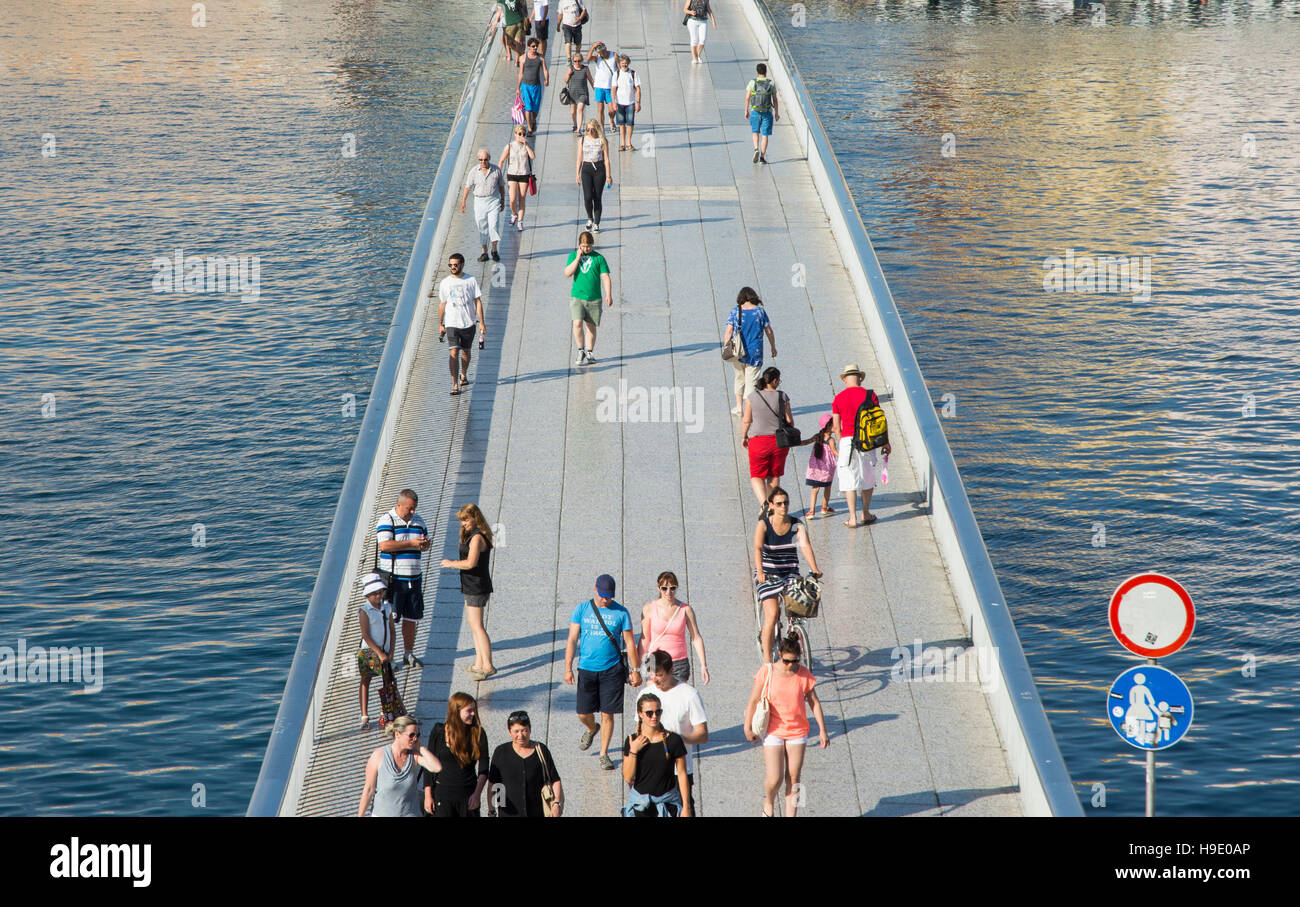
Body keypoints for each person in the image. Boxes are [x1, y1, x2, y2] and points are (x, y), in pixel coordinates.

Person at [743, 633, 829, 817]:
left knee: (794, 777)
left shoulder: (803, 673)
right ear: (780, 654)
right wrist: (747, 727)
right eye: (787, 661)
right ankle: (769, 800)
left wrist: (822, 730)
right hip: (773, 730)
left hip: (798, 731)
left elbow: (814, 702)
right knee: (775, 778)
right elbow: (753, 700)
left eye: (795, 661)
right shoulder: (767, 671)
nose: (791, 665)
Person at [564, 573, 641, 771]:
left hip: (612, 670)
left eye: (609, 596)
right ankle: (591, 728)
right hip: (587, 668)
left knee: (608, 714)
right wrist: (568, 668)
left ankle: (604, 753)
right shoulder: (582, 609)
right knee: (583, 712)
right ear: (595, 589)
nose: (605, 600)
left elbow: (630, 643)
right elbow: (572, 639)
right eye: (602, 595)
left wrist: (635, 669)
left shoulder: (621, 613)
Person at [753, 486, 822, 663]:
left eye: (786, 503)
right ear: (771, 506)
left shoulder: (796, 525)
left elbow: (805, 546)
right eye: (779, 503)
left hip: (790, 572)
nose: (783, 506)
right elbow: (758, 548)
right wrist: (760, 572)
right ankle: (767, 662)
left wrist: (815, 568)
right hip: (768, 573)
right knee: (773, 613)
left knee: (795, 609)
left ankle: (793, 641)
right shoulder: (764, 525)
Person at [645, 650, 707, 817]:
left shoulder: (689, 694)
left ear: (671, 670)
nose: (654, 679)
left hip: (679, 772)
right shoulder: (645, 695)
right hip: (651, 773)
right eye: (651, 674)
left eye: (659, 675)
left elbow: (703, 734)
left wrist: (678, 740)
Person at [831, 363, 892, 527]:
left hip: (847, 441)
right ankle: (865, 513)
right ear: (860, 378)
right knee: (868, 478)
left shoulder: (838, 398)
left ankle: (852, 518)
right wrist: (885, 442)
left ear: (845, 379)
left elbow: (836, 427)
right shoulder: (870, 395)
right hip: (868, 441)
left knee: (849, 480)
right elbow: (880, 421)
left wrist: (841, 440)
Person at [376, 489, 431, 668]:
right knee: (390, 618)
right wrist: (411, 543)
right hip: (394, 580)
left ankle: (408, 654)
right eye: (410, 508)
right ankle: (389, 657)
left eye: (414, 508)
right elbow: (384, 545)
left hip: (414, 578)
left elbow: (423, 544)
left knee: (411, 618)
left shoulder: (419, 521)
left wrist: (424, 546)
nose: (413, 512)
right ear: (399, 505)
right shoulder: (387, 520)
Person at [440, 504, 496, 680]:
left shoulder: (477, 538)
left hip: (477, 586)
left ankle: (488, 665)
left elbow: (471, 563)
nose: (463, 523)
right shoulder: (472, 535)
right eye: (461, 520)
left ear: (475, 518)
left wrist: (451, 563)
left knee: (478, 626)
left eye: (466, 519)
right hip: (471, 585)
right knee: (473, 625)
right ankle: (479, 662)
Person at [622, 692, 691, 817]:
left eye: (658, 712)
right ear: (640, 714)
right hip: (641, 805)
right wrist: (633, 751)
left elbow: (681, 773)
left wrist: (686, 807)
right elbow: (628, 777)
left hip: (667, 803)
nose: (654, 716)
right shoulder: (632, 741)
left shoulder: (674, 740)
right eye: (649, 713)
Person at [358, 716, 442, 817]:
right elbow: (369, 789)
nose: (415, 738)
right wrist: (360, 815)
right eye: (411, 735)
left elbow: (437, 767)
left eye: (417, 735)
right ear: (398, 734)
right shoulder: (379, 755)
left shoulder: (414, 756)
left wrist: (420, 747)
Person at [423, 692, 491, 817]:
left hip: (468, 795)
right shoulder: (439, 732)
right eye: (469, 710)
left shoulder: (478, 733)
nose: (473, 714)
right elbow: (428, 765)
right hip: (442, 794)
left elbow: (484, 768)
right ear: (456, 711)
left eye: (474, 710)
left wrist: (477, 794)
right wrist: (427, 795)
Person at [488, 710, 564, 817]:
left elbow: (555, 780)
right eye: (516, 731)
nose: (520, 735)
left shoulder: (541, 750)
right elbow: (493, 784)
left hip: (537, 812)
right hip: (508, 813)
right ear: (509, 732)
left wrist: (556, 803)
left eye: (524, 730)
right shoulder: (501, 752)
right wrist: (492, 810)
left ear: (530, 729)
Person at [639, 571, 710, 685]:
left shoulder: (685, 609)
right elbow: (644, 638)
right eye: (664, 588)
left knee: (677, 699)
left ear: (677, 588)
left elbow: (696, 637)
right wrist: (637, 667)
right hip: (655, 661)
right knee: (653, 697)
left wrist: (703, 666)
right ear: (658, 588)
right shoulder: (649, 608)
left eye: (672, 588)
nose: (668, 592)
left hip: (678, 662)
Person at [741, 367, 793, 506]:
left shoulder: (753, 397)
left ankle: (764, 504)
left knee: (757, 476)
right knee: (774, 476)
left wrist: (744, 436)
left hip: (758, 442)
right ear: (775, 380)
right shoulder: (782, 396)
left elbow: (746, 420)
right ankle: (773, 505)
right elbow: (789, 421)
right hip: (779, 442)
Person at [722, 286, 776, 416]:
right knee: (751, 380)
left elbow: (729, 330)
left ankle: (739, 407)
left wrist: (725, 347)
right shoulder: (760, 312)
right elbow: (769, 331)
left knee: (739, 377)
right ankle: (748, 410)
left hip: (738, 351)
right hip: (755, 352)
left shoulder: (736, 311)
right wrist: (773, 347)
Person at [437, 253, 485, 396]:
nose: (453, 267)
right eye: (450, 265)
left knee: (466, 351)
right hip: (452, 323)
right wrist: (440, 324)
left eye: (455, 264)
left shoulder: (470, 280)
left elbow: (478, 301)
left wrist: (482, 323)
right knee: (454, 351)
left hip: (468, 322)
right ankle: (454, 384)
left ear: (462, 264)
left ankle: (463, 374)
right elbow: (442, 304)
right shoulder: (445, 283)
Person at [563, 230, 611, 365]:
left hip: (594, 298)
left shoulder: (599, 258)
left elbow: (605, 277)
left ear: (592, 245)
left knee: (591, 327)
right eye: (583, 246)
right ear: (579, 245)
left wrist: (608, 294)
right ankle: (580, 350)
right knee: (577, 323)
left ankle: (589, 352)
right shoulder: (573, 256)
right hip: (577, 297)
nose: (586, 248)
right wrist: (578, 258)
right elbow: (567, 273)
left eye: (589, 246)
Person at [356, 572, 396, 730]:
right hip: (369, 651)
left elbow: (392, 631)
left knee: (387, 681)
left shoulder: (387, 608)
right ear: (368, 595)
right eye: (375, 593)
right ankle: (364, 715)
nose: (379, 596)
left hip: (385, 650)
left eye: (380, 592)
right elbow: (365, 634)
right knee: (366, 680)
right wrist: (379, 653)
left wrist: (390, 652)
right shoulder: (364, 611)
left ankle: (384, 713)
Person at [459, 149, 506, 262]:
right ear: (478, 160)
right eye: (480, 160)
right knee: (482, 226)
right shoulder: (474, 171)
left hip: (493, 200)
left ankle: (494, 250)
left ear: (489, 159)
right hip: (479, 201)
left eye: (485, 159)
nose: (483, 162)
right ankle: (484, 251)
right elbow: (468, 187)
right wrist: (463, 202)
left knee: (493, 225)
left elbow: (501, 186)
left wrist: (503, 200)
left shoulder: (496, 170)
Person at [575, 117, 612, 232]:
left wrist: (608, 176)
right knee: (587, 196)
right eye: (588, 130)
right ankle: (589, 218)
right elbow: (579, 157)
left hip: (599, 169)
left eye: (592, 130)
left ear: (597, 130)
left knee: (597, 197)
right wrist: (577, 173)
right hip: (587, 168)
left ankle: (596, 222)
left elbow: (606, 159)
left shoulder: (602, 140)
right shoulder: (583, 140)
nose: (590, 132)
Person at [499, 125, 536, 233]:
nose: (521, 136)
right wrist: (499, 174)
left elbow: (532, 156)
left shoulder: (526, 145)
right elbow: (501, 160)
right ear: (515, 134)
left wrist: (526, 144)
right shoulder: (509, 146)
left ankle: (520, 221)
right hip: (512, 174)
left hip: (524, 174)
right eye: (519, 134)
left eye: (523, 134)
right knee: (512, 199)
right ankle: (514, 214)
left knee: (522, 198)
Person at [803, 414, 837, 518]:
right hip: (827, 468)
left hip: (816, 468)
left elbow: (805, 442)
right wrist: (846, 456)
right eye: (833, 424)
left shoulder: (817, 437)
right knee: (827, 487)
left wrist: (793, 443)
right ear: (828, 426)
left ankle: (812, 511)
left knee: (815, 489)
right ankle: (824, 507)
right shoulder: (830, 440)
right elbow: (834, 452)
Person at [745, 63, 780, 164]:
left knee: (755, 131)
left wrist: (746, 111)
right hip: (767, 112)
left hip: (755, 111)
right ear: (766, 72)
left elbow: (747, 98)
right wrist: (777, 113)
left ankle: (756, 149)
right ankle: (762, 157)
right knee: (765, 135)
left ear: (757, 72)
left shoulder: (752, 83)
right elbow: (775, 100)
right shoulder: (771, 84)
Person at [516, 40, 549, 137]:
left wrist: (547, 79)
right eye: (533, 46)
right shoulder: (523, 58)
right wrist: (518, 88)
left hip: (536, 86)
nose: (535, 48)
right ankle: (529, 129)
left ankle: (533, 120)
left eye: (536, 46)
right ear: (529, 47)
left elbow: (545, 70)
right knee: (528, 107)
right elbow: (521, 73)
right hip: (525, 86)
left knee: (535, 108)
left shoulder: (540, 58)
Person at [612, 54, 641, 151]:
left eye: (626, 63)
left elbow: (637, 89)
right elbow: (613, 89)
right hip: (620, 102)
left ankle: (629, 142)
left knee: (630, 123)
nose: (624, 65)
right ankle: (622, 143)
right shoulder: (616, 74)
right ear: (619, 64)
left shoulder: (633, 73)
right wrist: (613, 102)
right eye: (622, 63)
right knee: (621, 124)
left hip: (631, 103)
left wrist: (638, 102)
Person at [587, 42, 617, 134]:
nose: (602, 54)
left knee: (612, 110)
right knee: (600, 109)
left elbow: (619, 68)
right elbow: (587, 59)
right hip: (599, 86)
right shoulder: (597, 57)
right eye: (600, 52)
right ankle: (602, 129)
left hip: (610, 87)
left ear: (605, 49)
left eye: (603, 51)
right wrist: (593, 47)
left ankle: (611, 120)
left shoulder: (614, 55)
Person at [563, 51, 592, 134]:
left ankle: (579, 129)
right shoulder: (571, 69)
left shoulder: (585, 69)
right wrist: (568, 74)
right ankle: (575, 124)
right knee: (573, 112)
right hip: (572, 94)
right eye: (575, 61)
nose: (577, 63)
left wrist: (595, 89)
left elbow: (591, 80)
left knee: (579, 109)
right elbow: (565, 80)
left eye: (579, 61)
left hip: (583, 93)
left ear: (582, 60)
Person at [682, 0, 717, 65]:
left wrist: (713, 21)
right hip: (692, 20)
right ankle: (694, 58)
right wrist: (690, 12)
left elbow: (709, 10)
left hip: (703, 21)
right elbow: (685, 9)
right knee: (694, 39)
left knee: (702, 40)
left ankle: (697, 55)